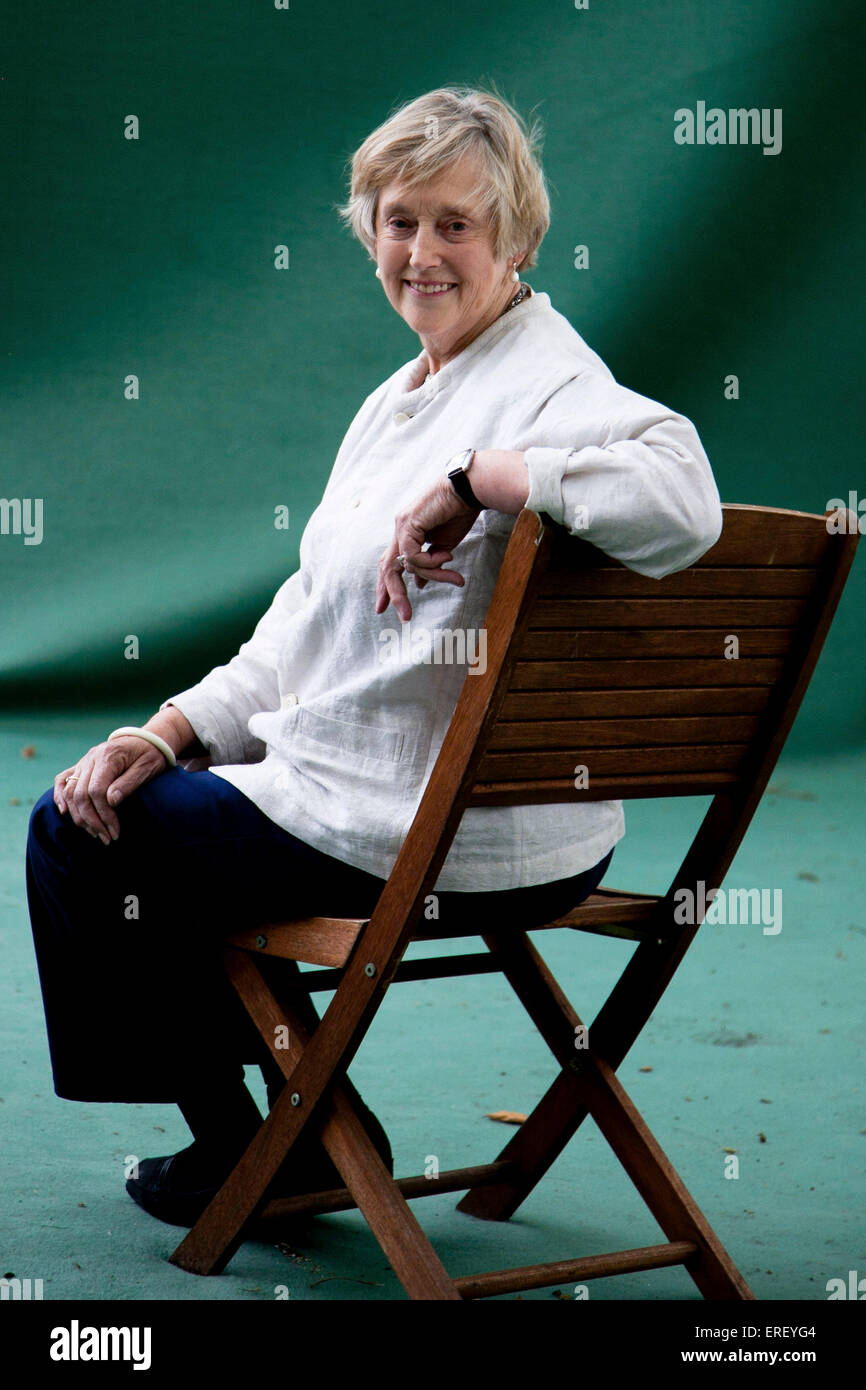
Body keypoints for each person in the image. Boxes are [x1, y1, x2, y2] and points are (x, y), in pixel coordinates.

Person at [25, 85, 722, 1231]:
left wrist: (484, 480)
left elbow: (684, 495)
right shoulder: (399, 402)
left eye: (456, 222)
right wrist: (168, 729)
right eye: (399, 221)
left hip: (426, 834)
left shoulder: (549, 382)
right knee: (129, 790)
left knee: (80, 837)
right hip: (484, 833)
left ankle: (252, 1142)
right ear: (368, 234)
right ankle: (304, 1125)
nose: (423, 251)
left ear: (519, 241)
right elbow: (306, 626)